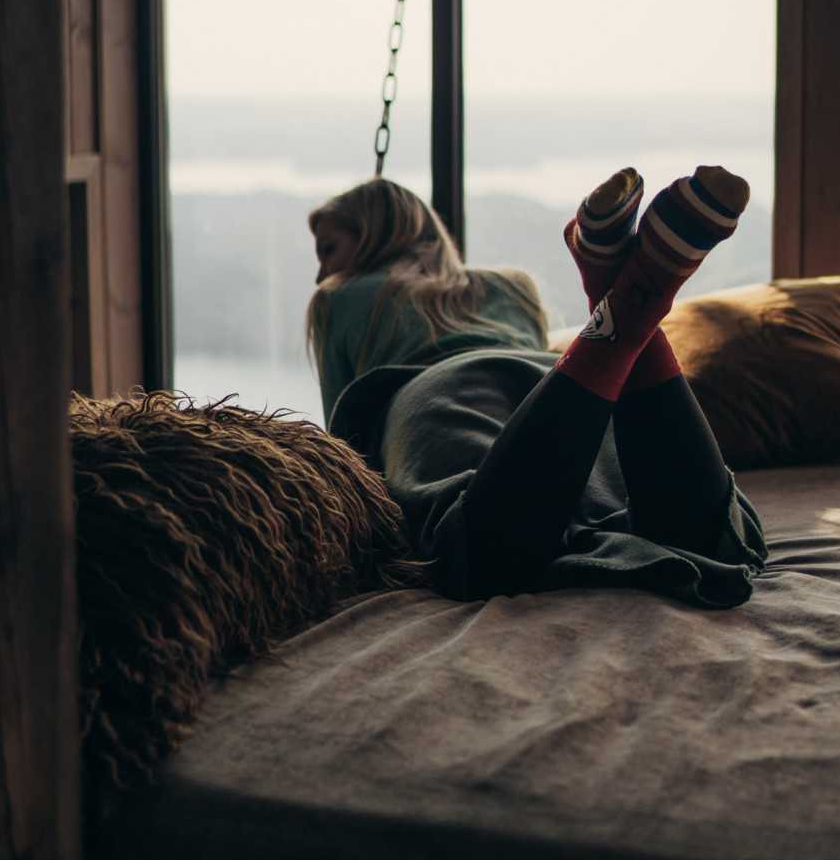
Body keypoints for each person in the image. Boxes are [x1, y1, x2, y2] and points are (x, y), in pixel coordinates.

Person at [307, 170, 766, 610]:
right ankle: (624, 296)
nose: (321, 271)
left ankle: (628, 304)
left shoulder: (336, 297)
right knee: (708, 535)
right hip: (558, 383)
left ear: (372, 237)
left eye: (328, 249)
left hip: (437, 392)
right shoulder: (512, 285)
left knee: (484, 548)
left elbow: (341, 454)